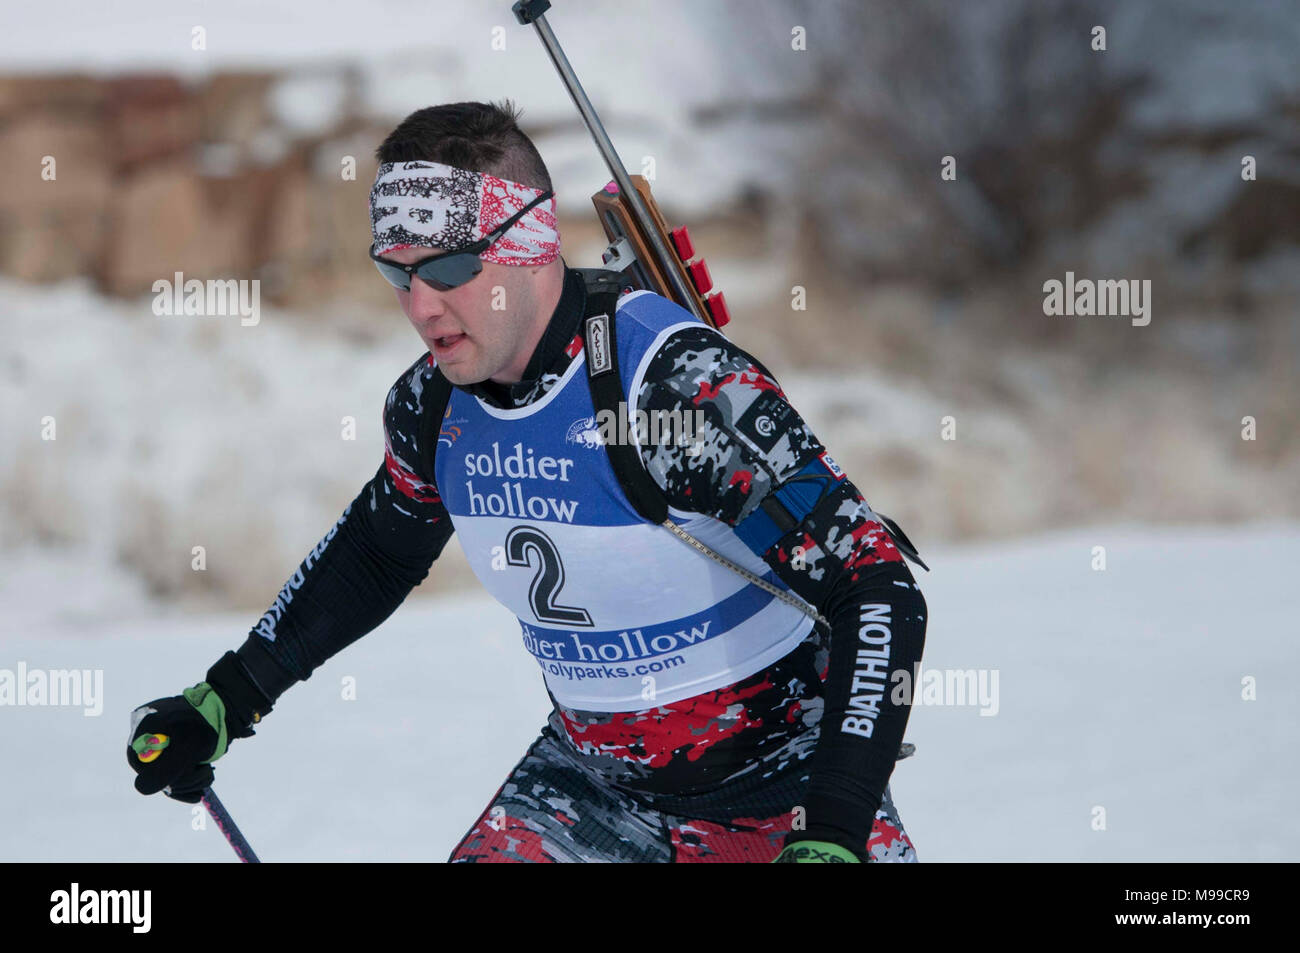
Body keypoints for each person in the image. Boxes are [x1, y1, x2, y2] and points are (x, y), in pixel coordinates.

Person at [128, 100, 929, 863]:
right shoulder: (432, 405)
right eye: (397, 274)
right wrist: (227, 698)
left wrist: (832, 831)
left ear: (530, 243)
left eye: (447, 267)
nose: (422, 305)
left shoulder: (674, 387)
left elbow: (875, 585)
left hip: (781, 789)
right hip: (590, 792)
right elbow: (378, 551)